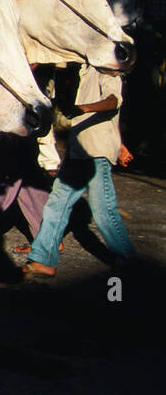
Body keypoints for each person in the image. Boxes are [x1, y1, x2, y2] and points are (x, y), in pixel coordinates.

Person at [22, 64, 137, 277]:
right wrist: (119, 142)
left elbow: (113, 102)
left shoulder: (105, 67)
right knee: (57, 203)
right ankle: (43, 258)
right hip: (79, 149)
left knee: (104, 210)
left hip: (95, 152)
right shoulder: (84, 70)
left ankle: (130, 261)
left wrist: (83, 109)